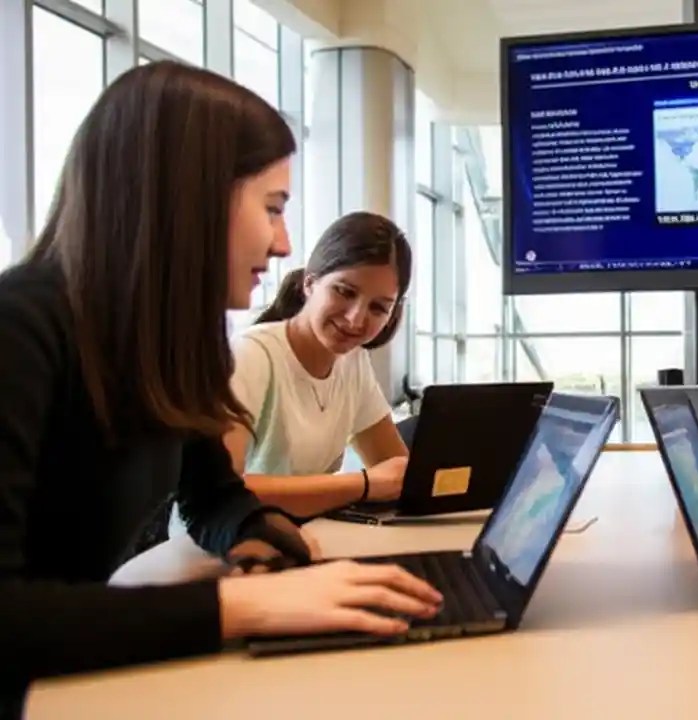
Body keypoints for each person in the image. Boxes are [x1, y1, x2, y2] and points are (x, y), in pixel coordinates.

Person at [0, 62, 441, 714]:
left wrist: (266, 540)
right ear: (190, 198)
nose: (284, 241)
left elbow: (211, 495)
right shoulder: (21, 330)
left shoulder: (177, 341)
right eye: (273, 208)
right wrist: (243, 604)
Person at [168, 212, 412, 534]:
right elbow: (220, 495)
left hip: (297, 538)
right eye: (345, 292)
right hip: (219, 551)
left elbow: (397, 472)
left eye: (378, 308)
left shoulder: (353, 362)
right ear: (309, 283)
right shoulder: (251, 355)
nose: (356, 320)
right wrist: (363, 485)